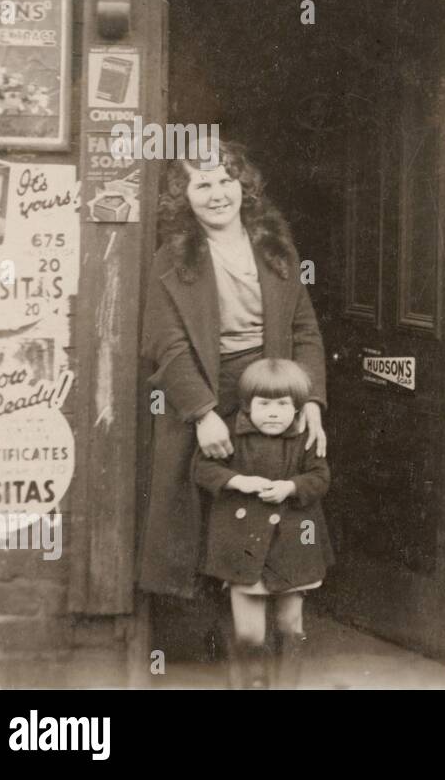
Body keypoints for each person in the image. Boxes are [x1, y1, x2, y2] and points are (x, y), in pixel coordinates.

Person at [137, 141, 328, 664]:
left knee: (271, 505)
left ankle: (265, 648)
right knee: (208, 508)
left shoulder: (276, 249)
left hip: (270, 391)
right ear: (185, 197)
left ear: (244, 187)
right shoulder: (173, 257)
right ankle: (220, 646)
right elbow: (166, 343)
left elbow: (303, 329)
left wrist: (309, 399)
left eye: (226, 180)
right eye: (202, 184)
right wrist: (201, 412)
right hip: (205, 386)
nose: (217, 193)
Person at [194, 358, 333, 688]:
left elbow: (320, 477)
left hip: (292, 544)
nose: (273, 413)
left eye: (283, 404)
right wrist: (237, 482)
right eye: (264, 404)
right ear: (246, 405)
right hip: (243, 542)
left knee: (290, 624)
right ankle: (249, 684)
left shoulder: (305, 437)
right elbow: (203, 469)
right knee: (250, 632)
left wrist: (291, 487)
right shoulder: (231, 433)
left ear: (297, 407)